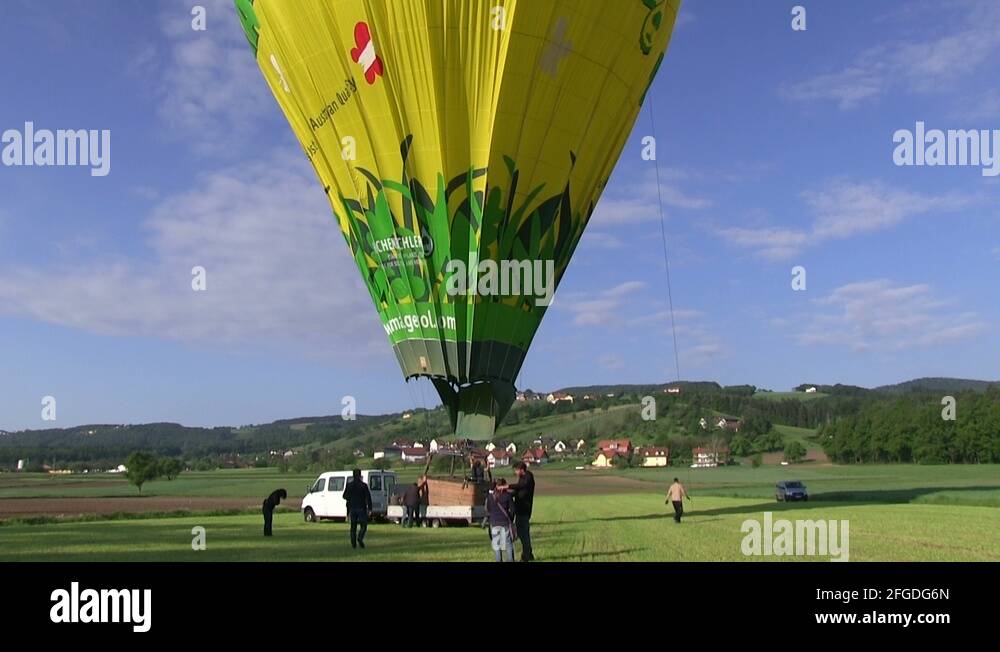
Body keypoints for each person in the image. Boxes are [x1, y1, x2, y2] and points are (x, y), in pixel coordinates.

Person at [508, 462, 535, 561]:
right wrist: (508, 494)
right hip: (520, 509)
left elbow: (521, 486)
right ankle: (529, 553)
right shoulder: (523, 478)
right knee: (524, 533)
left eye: (516, 470)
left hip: (524, 510)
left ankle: (526, 556)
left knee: (522, 534)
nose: (515, 472)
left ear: (521, 469)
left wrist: (508, 486)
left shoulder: (528, 477)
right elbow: (518, 490)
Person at [485, 478, 515, 562]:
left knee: (496, 544)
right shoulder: (508, 496)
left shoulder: (490, 496)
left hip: (494, 522)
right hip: (505, 522)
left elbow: (488, 509)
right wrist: (510, 519)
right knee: (508, 543)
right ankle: (510, 560)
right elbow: (513, 510)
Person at [342, 469, 373, 549]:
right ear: (360, 475)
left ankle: (353, 544)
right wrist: (370, 508)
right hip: (361, 508)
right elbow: (368, 498)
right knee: (363, 526)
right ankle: (360, 537)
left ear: (353, 475)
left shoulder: (349, 485)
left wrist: (351, 498)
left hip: (352, 508)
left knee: (353, 527)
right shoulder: (363, 485)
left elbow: (344, 496)